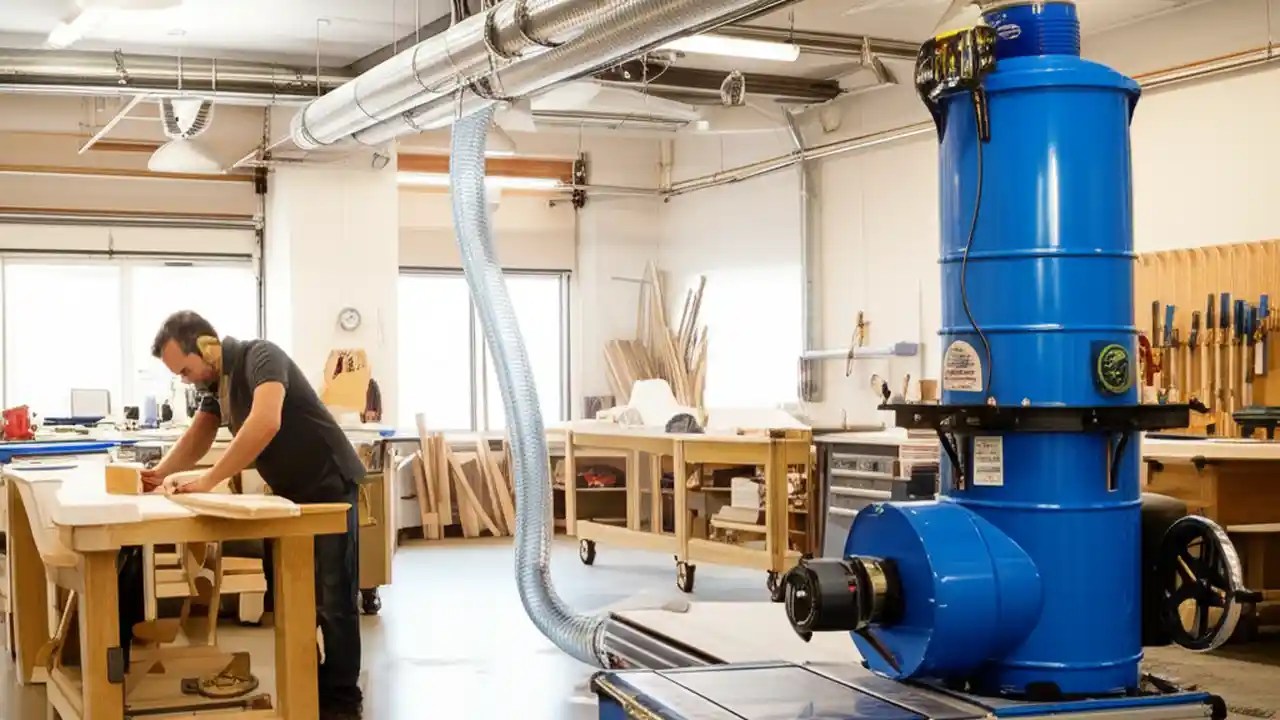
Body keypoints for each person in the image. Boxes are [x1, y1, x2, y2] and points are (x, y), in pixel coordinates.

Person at [145, 311, 364, 720]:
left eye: (186, 369)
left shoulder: (261, 357)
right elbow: (199, 434)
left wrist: (208, 480)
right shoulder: (218, 385)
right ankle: (310, 685)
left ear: (208, 347)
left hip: (330, 483)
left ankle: (341, 702)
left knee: (334, 599)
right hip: (290, 494)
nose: (185, 379)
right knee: (296, 597)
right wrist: (160, 474)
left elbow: (265, 422)